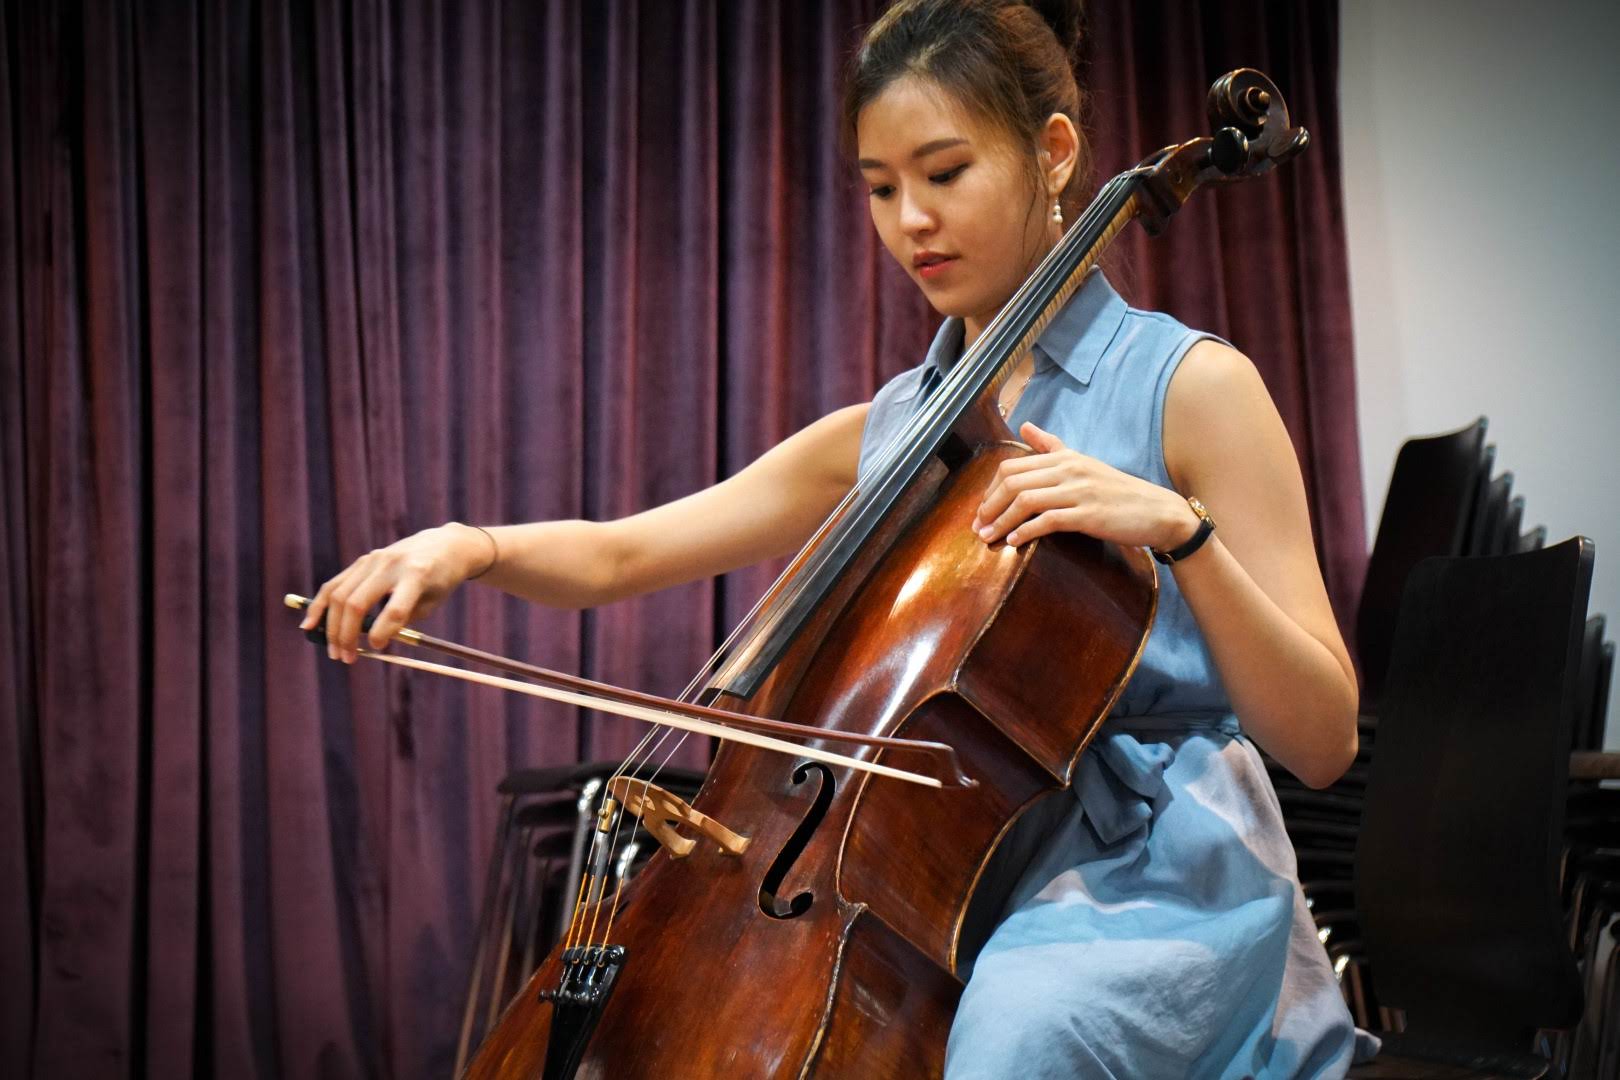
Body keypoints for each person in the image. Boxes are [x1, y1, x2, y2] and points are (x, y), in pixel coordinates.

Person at [304, 0, 1375, 1075]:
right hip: (924, 863)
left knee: (1016, 1039)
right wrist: (467, 545)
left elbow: (1324, 739)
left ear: (1054, 153)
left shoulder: (1193, 389)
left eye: (945, 172)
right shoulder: (901, 426)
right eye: (879, 186)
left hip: (1145, 876)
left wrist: (1185, 535)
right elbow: (626, 553)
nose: (911, 219)